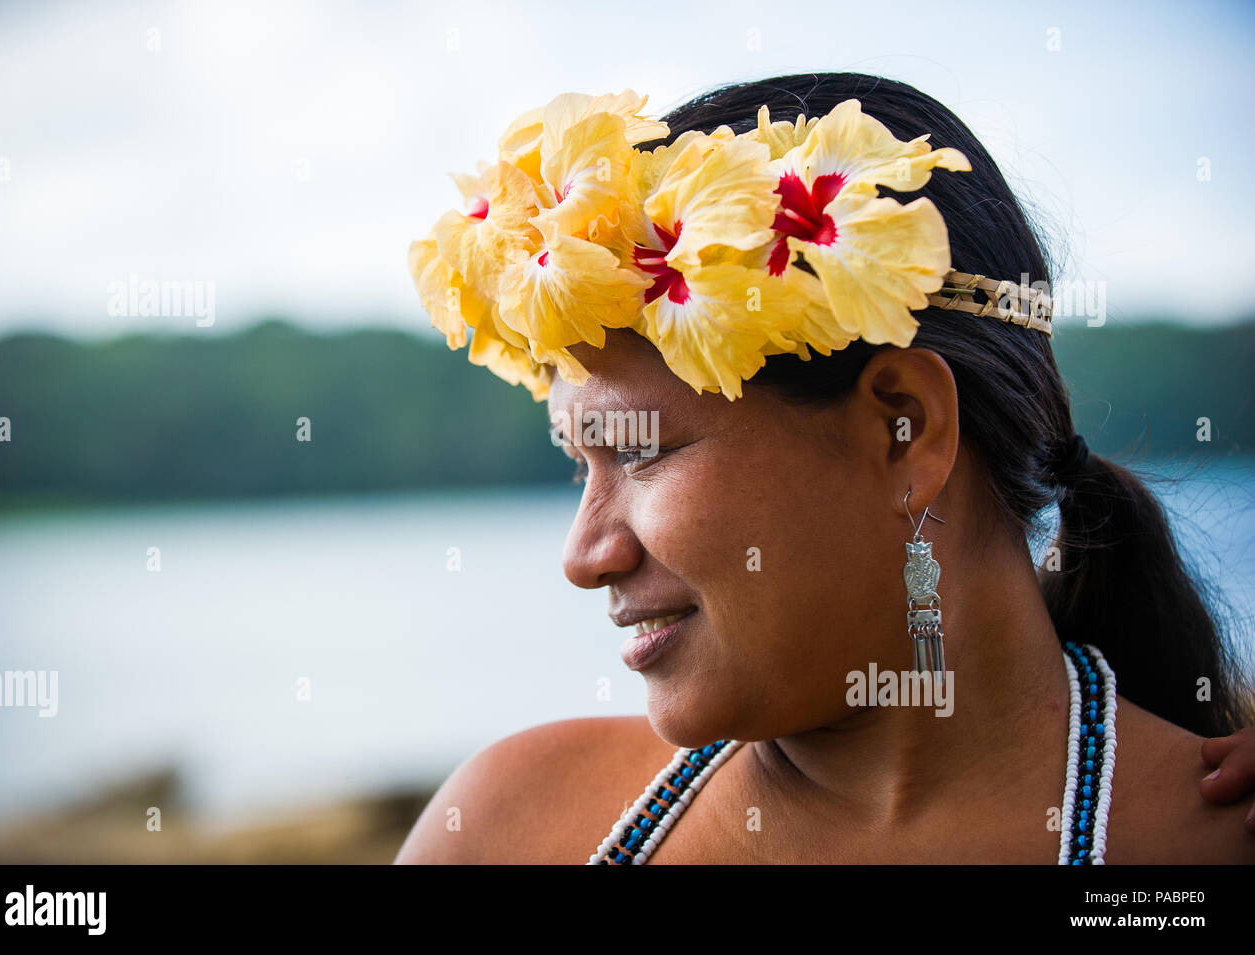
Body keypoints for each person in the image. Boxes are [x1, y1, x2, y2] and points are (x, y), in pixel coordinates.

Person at [397, 73, 1255, 864]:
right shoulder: (506, 826)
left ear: (905, 431)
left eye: (639, 450)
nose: (584, 556)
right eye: (583, 462)